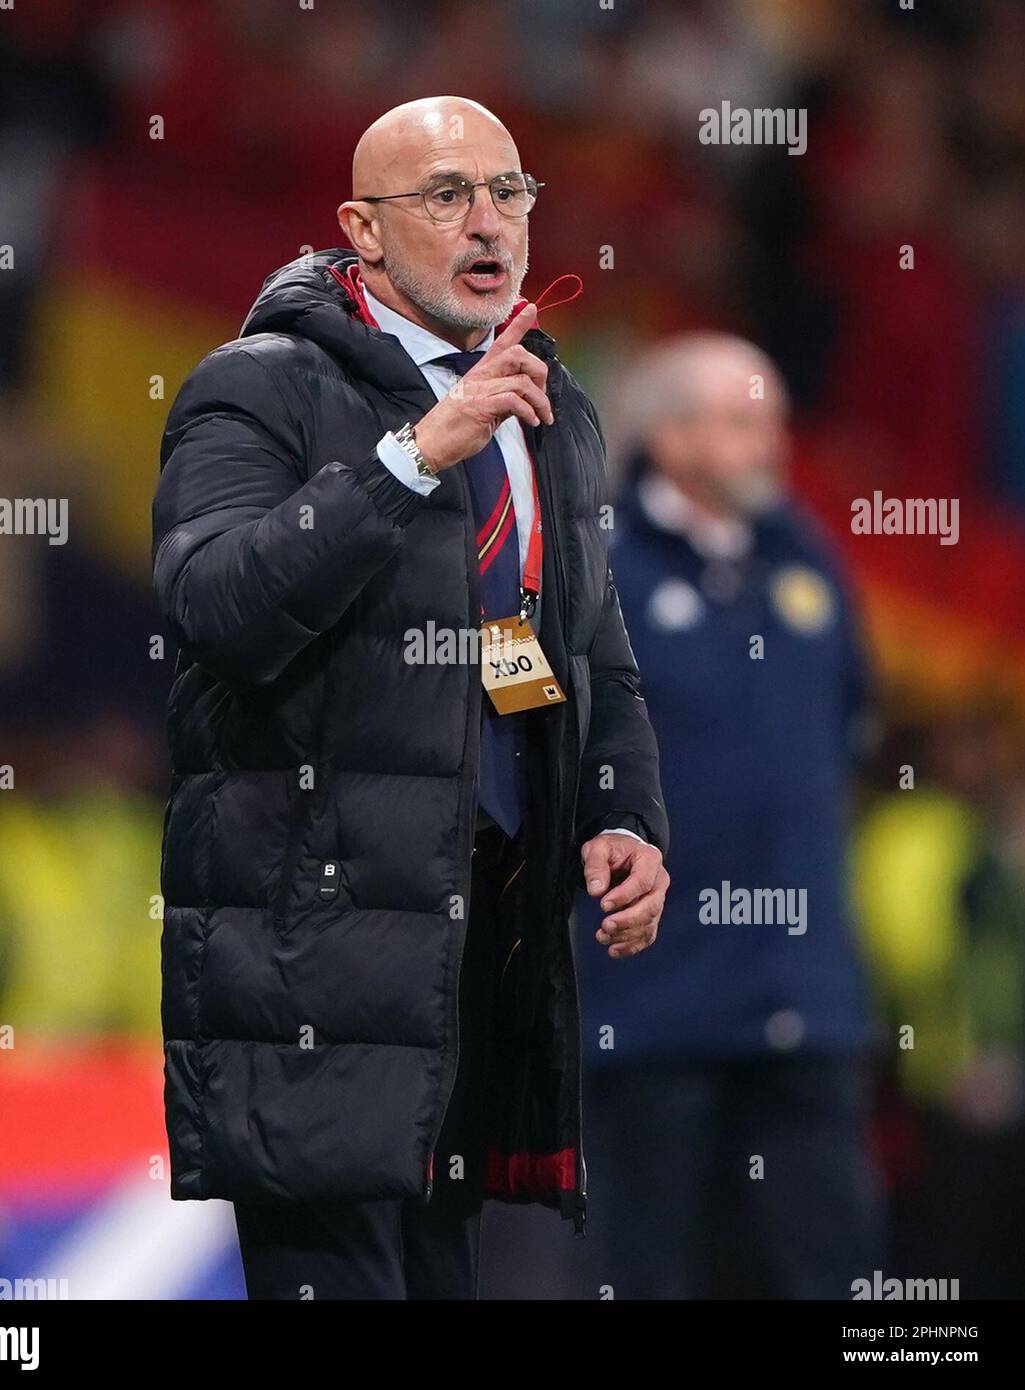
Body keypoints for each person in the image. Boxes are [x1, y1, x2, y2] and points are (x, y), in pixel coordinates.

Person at [150, 96, 670, 1300]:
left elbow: (589, 650)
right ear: (362, 231)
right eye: (445, 197)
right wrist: (411, 458)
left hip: (478, 945)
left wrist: (624, 814)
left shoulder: (552, 408)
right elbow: (216, 608)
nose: (489, 222)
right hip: (310, 955)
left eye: (510, 192)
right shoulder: (256, 388)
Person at [495, 333, 881, 1299]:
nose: (772, 445)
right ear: (666, 437)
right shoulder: (584, 556)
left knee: (830, 1268)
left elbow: (851, 725)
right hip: (647, 998)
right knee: (644, 1271)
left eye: (775, 422)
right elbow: (508, 722)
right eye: (745, 421)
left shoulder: (807, 558)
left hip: (805, 999)